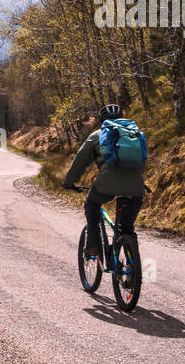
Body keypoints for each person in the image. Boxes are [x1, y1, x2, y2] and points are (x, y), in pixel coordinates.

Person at [62, 104, 146, 256]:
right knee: (127, 228)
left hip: (106, 185)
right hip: (136, 187)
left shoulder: (98, 135)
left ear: (102, 121)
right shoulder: (135, 133)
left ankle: (93, 245)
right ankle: (132, 266)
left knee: (91, 204)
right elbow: (142, 160)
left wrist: (69, 182)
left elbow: (80, 161)